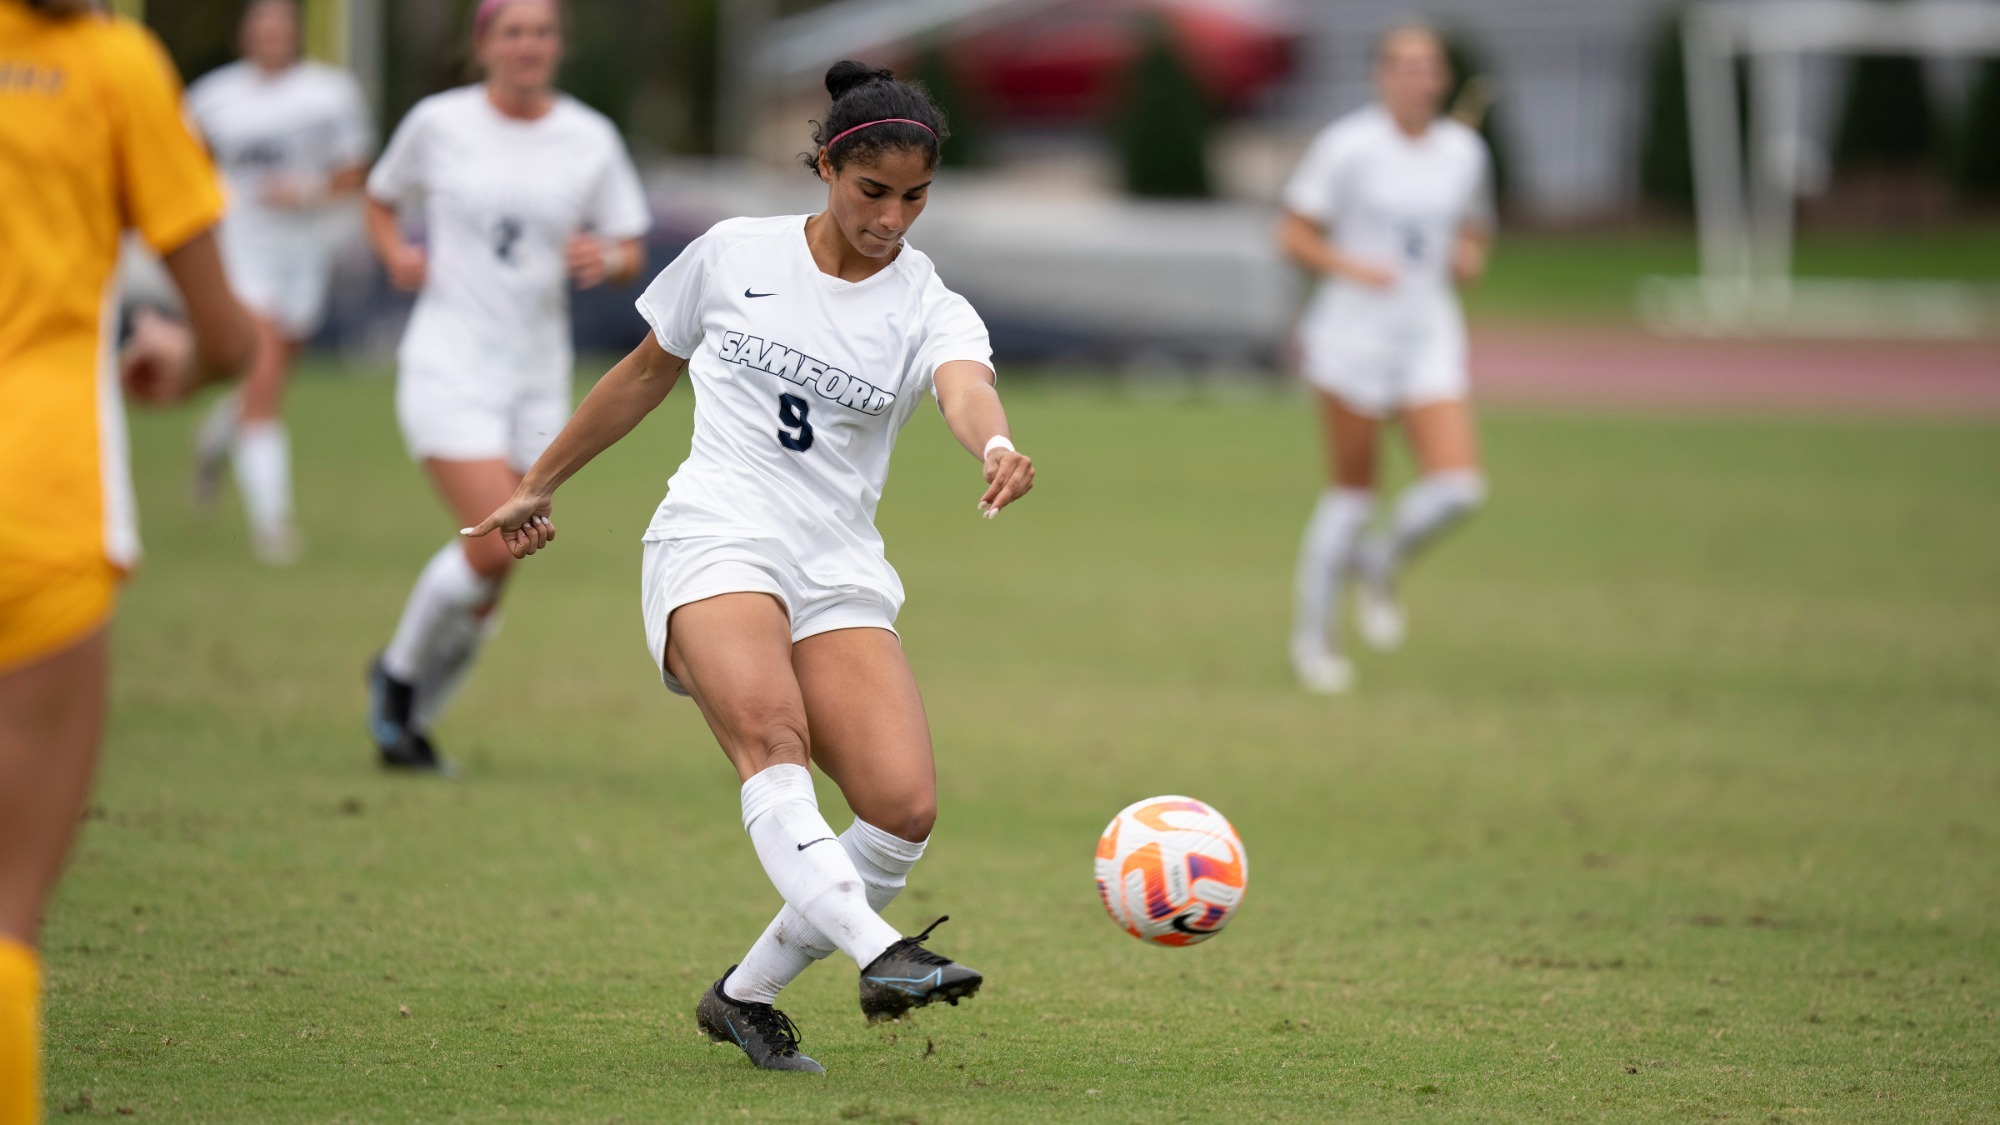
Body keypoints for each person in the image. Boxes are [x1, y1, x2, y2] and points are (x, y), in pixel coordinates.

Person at [462, 60, 1036, 1074]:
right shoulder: (732, 254)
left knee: (900, 813)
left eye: (914, 198)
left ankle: (744, 995)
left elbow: (963, 385)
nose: (891, 218)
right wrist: (538, 479)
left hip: (835, 564)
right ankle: (881, 955)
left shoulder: (924, 301)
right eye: (871, 193)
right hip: (715, 535)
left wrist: (991, 446)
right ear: (825, 168)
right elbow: (644, 371)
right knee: (771, 737)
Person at [0, 1, 257, 1119]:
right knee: (8, 917)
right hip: (38, 494)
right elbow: (229, 337)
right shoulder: (112, 64)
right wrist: (178, 360)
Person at [360, 0, 649, 771]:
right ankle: (394, 679)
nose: (529, 45)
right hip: (447, 362)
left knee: (495, 581)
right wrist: (393, 253)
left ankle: (412, 722)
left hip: (537, 377)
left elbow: (630, 245)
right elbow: (380, 197)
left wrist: (608, 260)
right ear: (484, 43)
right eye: (513, 31)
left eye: (543, 32)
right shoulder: (438, 122)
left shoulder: (588, 137)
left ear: (560, 45)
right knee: (491, 545)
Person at [1278, 24, 1494, 694]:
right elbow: (1292, 233)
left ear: (1443, 77)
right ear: (1381, 75)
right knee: (1351, 495)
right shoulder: (1348, 147)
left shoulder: (1465, 151)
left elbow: (1473, 227)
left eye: (1426, 66)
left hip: (1428, 334)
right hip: (1352, 339)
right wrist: (1352, 265)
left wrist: (1470, 255)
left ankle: (1380, 560)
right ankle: (1313, 641)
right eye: (1401, 65)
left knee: (1460, 488)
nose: (1414, 77)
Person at [186, 0, 375, 564]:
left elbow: (353, 169)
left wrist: (307, 192)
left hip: (305, 253)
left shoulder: (329, 93)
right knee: (264, 380)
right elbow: (182, 167)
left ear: (293, 33)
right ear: (244, 33)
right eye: (259, 26)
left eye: (280, 26)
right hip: (240, 251)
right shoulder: (212, 96)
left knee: (267, 378)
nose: (270, 36)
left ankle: (215, 438)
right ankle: (274, 527)